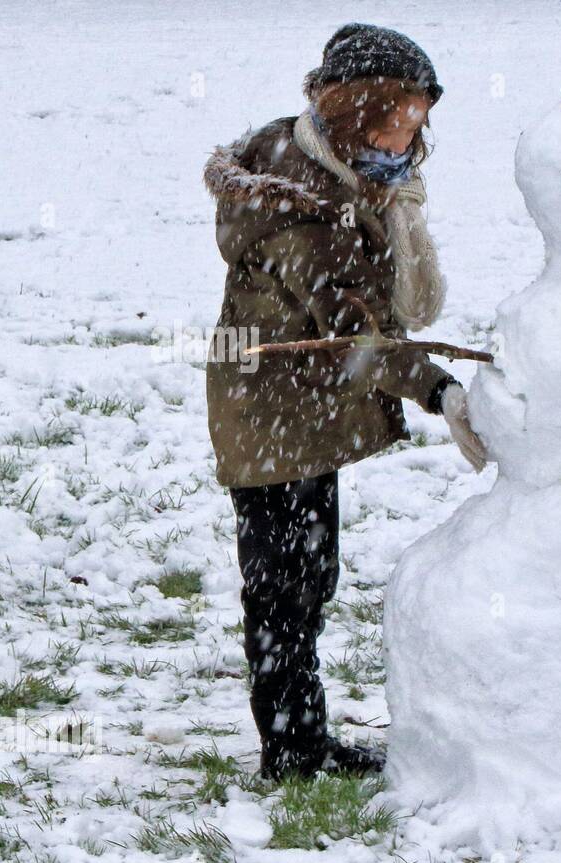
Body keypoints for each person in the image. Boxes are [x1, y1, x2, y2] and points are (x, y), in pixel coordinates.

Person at [203, 24, 486, 780]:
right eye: (401, 114)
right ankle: (292, 754)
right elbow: (358, 329)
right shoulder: (303, 213)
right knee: (284, 587)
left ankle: (305, 736)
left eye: (422, 114)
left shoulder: (341, 173)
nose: (413, 130)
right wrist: (441, 391)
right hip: (271, 417)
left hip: (293, 414)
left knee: (308, 575)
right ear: (360, 109)